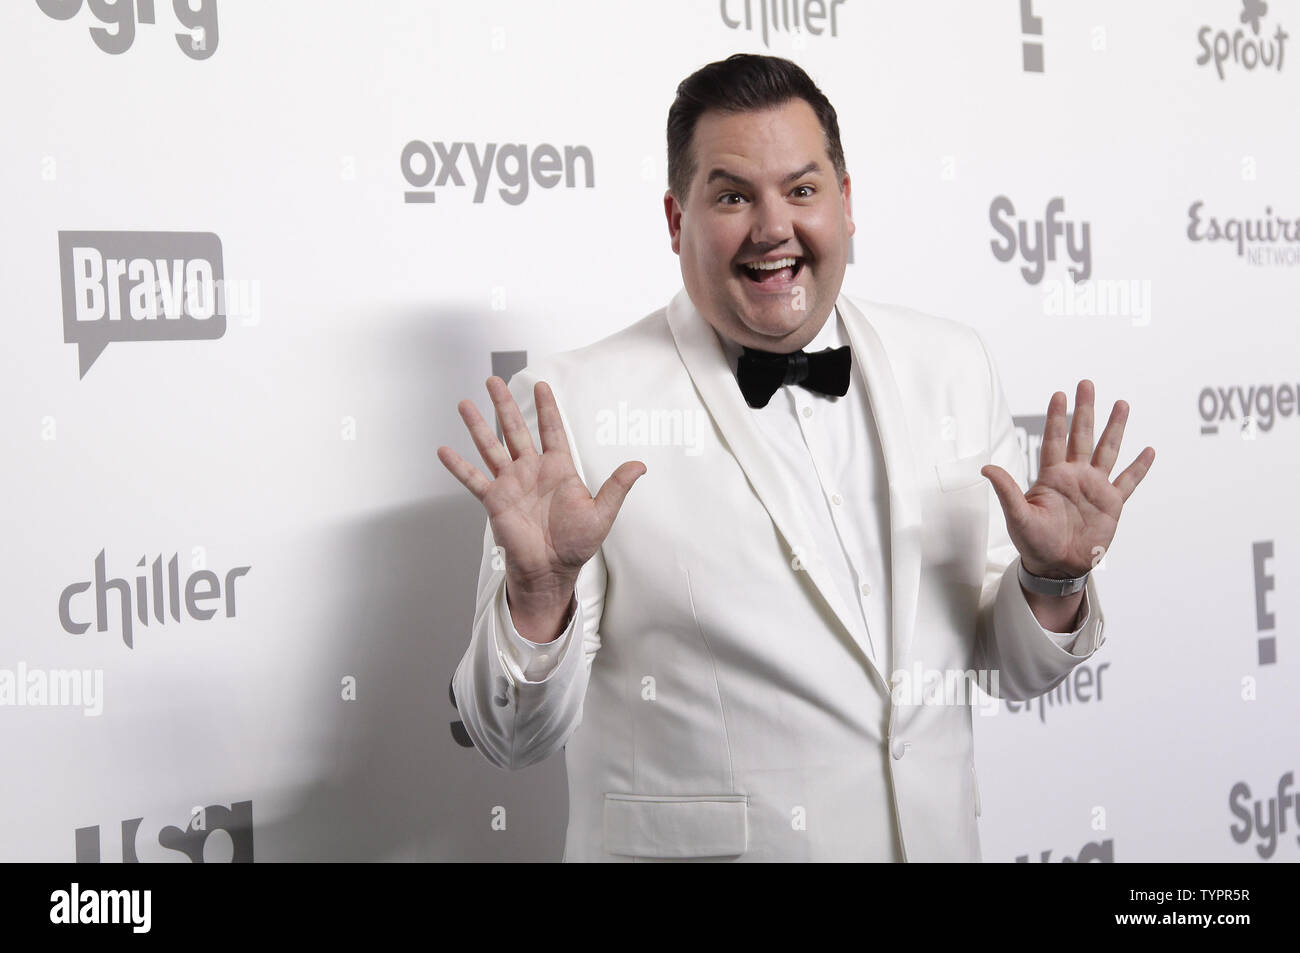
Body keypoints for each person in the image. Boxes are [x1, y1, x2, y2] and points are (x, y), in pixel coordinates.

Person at [437, 53, 1154, 862]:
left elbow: (1009, 668)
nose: (773, 227)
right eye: (733, 195)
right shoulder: (570, 405)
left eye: (802, 190)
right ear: (676, 222)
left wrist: (1054, 580)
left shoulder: (953, 364)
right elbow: (509, 736)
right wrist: (538, 595)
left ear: (846, 204)